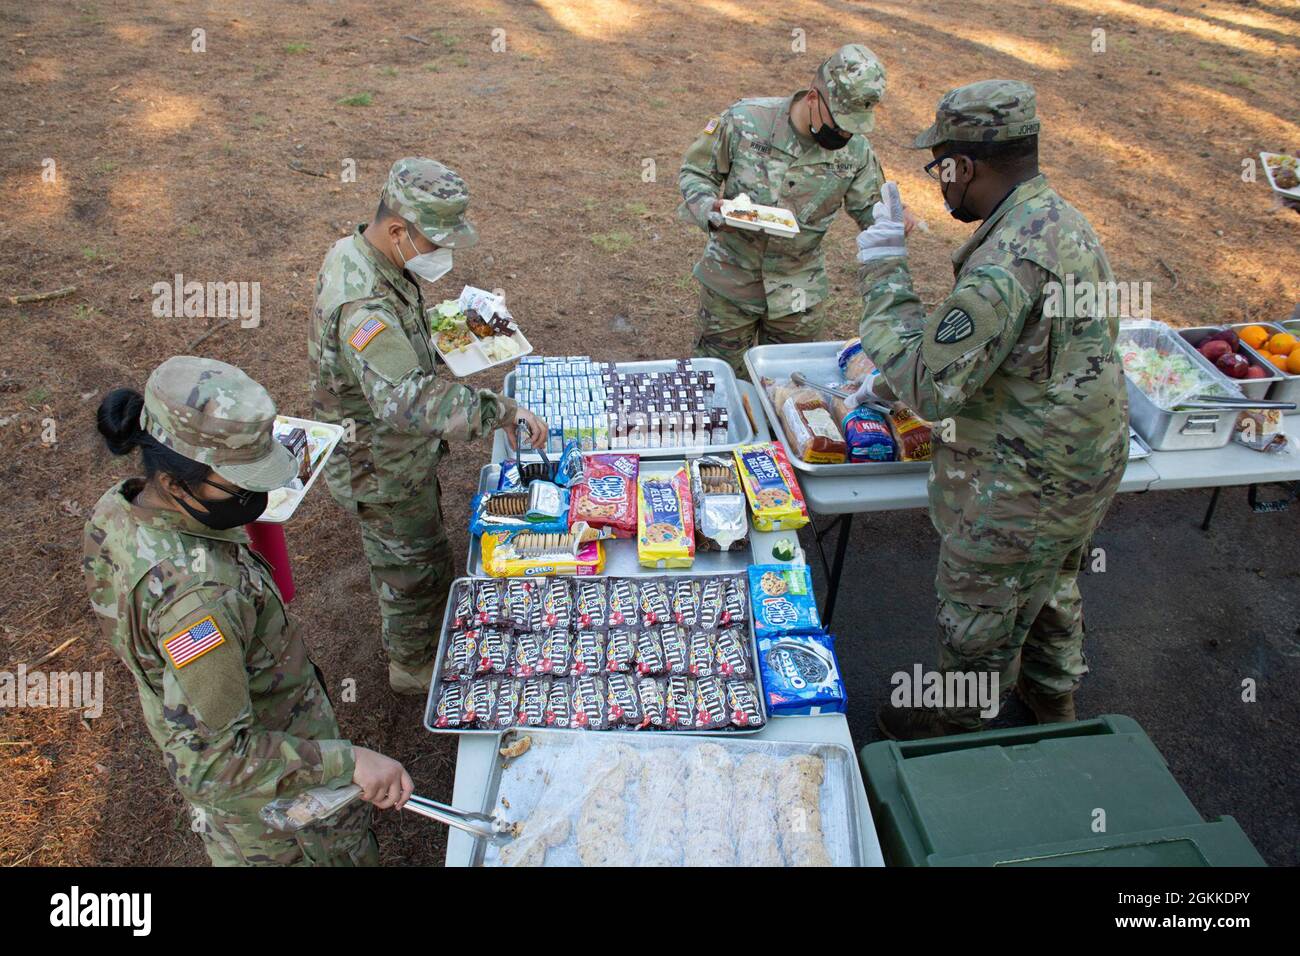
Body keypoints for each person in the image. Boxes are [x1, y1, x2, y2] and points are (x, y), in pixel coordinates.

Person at [853, 80, 1128, 739]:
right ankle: (1053, 707)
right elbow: (1008, 350)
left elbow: (932, 388)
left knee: (977, 620)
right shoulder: (1060, 221)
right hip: (1082, 468)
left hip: (1018, 487)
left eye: (941, 167)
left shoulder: (1005, 261)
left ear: (966, 166)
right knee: (1051, 592)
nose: (939, 182)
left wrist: (885, 268)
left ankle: (959, 728)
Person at [83, 356, 412, 866]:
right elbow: (214, 763)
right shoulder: (199, 606)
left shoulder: (126, 506)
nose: (260, 497)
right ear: (176, 483)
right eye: (243, 487)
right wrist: (349, 762)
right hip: (280, 820)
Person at [309, 158, 546, 695]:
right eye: (437, 242)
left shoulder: (367, 254)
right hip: (379, 462)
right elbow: (408, 400)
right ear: (397, 230)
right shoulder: (363, 302)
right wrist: (501, 411)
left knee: (416, 551)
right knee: (412, 568)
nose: (446, 255)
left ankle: (423, 638)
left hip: (392, 451)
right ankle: (416, 668)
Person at [678, 43, 902, 378]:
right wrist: (711, 207)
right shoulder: (745, 120)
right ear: (813, 98)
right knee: (719, 387)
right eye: (839, 121)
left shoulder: (856, 151)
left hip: (799, 296)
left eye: (854, 124)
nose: (844, 133)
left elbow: (869, 210)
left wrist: (892, 221)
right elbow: (697, 173)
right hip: (730, 284)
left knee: (789, 391)